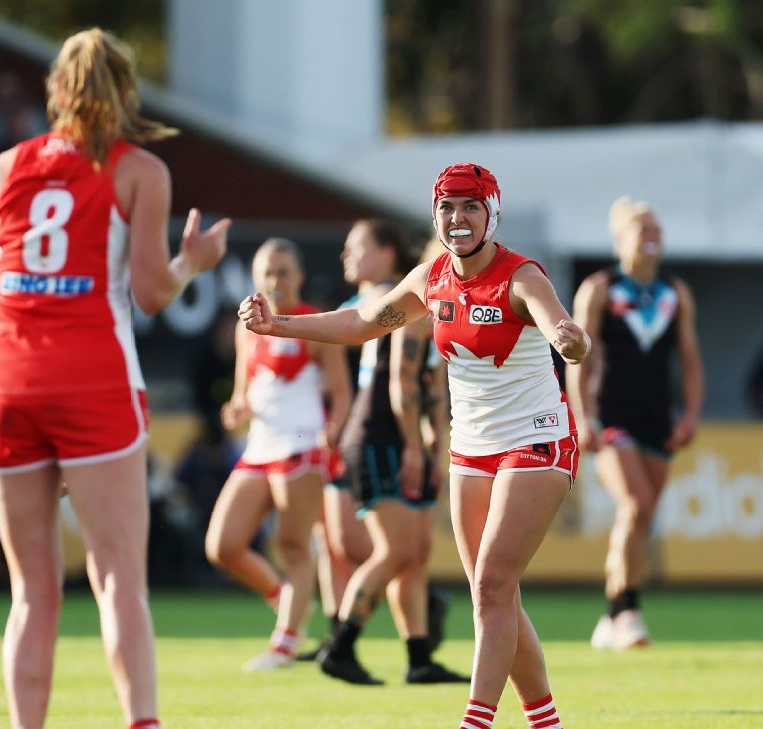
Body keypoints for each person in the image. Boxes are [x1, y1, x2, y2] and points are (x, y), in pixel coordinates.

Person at [240, 163, 585, 729]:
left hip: (537, 439)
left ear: (493, 213)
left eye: (471, 206)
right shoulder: (430, 279)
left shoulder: (521, 276)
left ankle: (474, 721)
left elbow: (561, 328)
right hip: (470, 448)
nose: (458, 218)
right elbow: (362, 322)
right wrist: (279, 325)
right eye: (447, 207)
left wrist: (572, 341)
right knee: (493, 593)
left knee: (492, 586)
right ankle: (546, 722)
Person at [0, 28, 229, 729]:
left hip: (5, 380)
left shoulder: (2, 167)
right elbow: (152, 292)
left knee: (30, 590)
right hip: (91, 377)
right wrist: (195, 261)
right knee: (118, 577)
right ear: (124, 91)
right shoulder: (139, 170)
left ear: (56, 89)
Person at [311, 219, 464, 686]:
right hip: (380, 433)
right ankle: (340, 646)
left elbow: (433, 384)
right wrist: (415, 446)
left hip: (402, 436)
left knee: (415, 554)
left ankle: (419, 657)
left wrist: (434, 442)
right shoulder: (414, 303)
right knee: (394, 549)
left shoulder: (441, 310)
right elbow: (401, 378)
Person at [205, 237, 351, 671]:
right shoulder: (245, 327)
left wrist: (334, 430)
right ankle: (288, 600)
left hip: (302, 444)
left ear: (299, 276)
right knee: (223, 546)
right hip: (260, 445)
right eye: (267, 272)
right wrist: (236, 409)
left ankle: (285, 644)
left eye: (283, 271)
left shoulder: (313, 323)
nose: (275, 280)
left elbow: (341, 393)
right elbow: (243, 392)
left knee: (293, 545)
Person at [568, 196, 703, 651]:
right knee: (635, 503)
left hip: (656, 416)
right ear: (620, 238)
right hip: (612, 414)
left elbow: (690, 360)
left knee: (642, 517)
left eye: (656, 230)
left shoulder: (675, 293)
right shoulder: (600, 288)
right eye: (642, 229)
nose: (651, 238)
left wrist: (690, 413)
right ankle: (627, 611)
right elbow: (578, 358)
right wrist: (583, 416)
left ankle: (612, 615)